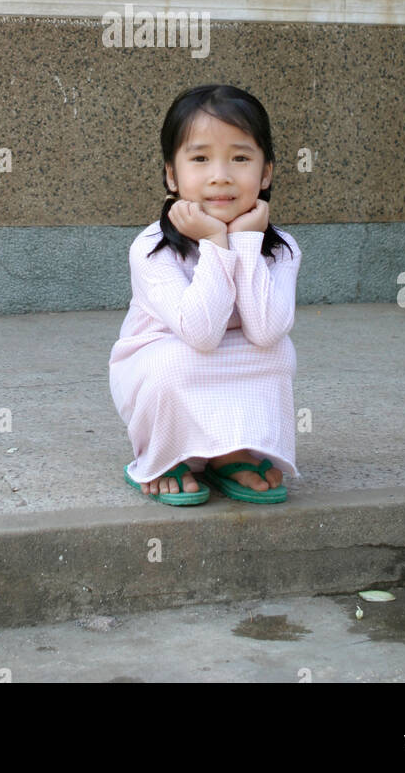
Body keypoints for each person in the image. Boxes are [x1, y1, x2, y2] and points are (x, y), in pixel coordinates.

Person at [109, 83, 302, 506]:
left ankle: (229, 449)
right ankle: (161, 456)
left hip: (223, 353)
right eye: (200, 159)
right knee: (179, 360)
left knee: (278, 351)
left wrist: (246, 244)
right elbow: (199, 333)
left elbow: (268, 331)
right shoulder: (152, 247)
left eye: (240, 157)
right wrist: (215, 242)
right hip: (160, 357)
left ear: (266, 172)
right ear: (172, 175)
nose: (220, 174)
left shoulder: (280, 248)